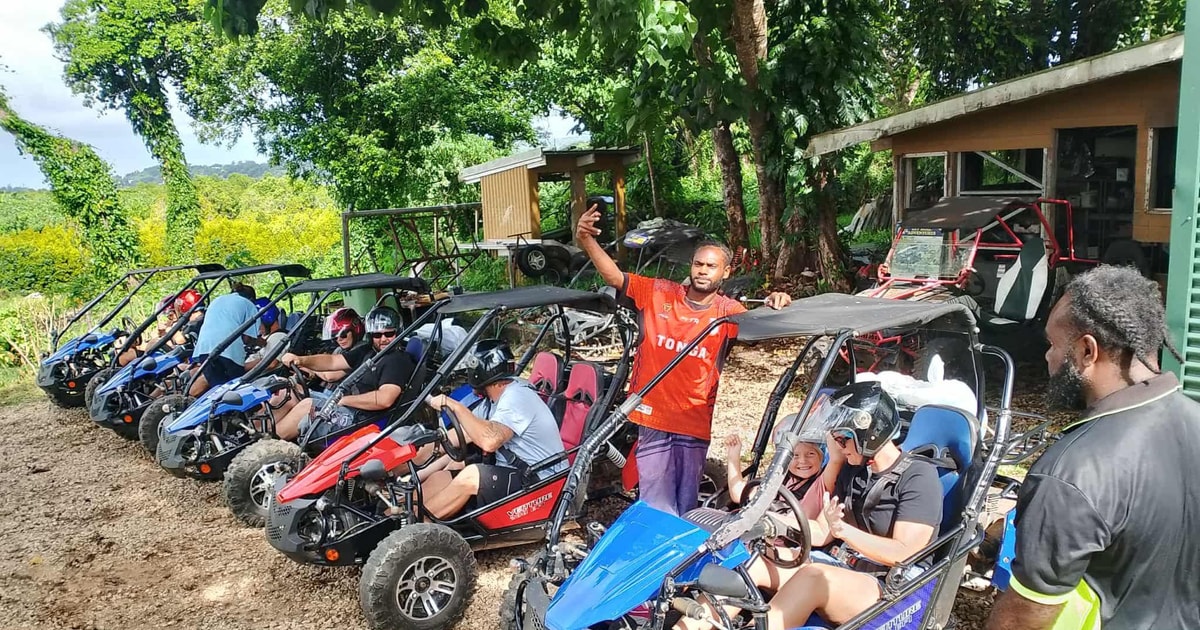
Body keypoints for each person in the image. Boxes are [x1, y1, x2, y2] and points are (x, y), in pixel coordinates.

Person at [986, 266, 1200, 630]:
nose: (1048, 358)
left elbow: (1022, 620)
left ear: (1088, 350)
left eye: (1053, 345)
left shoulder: (1071, 474)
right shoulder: (1193, 416)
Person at [576, 204, 792, 516]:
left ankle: (682, 561)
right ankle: (655, 557)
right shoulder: (658, 293)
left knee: (685, 505)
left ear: (725, 272)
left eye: (711, 266)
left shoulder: (728, 312)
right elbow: (614, 276)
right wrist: (586, 240)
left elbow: (768, 329)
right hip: (651, 416)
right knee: (654, 503)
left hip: (694, 422)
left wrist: (778, 303)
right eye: (698, 264)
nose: (703, 270)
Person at [680, 382, 943, 630]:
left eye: (841, 439)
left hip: (893, 586)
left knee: (813, 577)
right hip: (843, 567)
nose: (835, 448)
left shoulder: (919, 476)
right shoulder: (855, 471)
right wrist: (769, 523)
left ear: (869, 434)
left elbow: (904, 553)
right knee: (755, 559)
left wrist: (845, 532)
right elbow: (821, 532)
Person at [416, 340, 566, 519]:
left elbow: (489, 441)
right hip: (515, 475)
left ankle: (414, 532)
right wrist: (414, 453)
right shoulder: (491, 401)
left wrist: (457, 407)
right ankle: (396, 520)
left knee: (471, 475)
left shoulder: (517, 396)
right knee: (440, 478)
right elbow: (461, 434)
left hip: (542, 483)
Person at [275, 306, 415, 441]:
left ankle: (271, 446)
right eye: (377, 335)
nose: (383, 339)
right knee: (286, 392)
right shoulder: (368, 351)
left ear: (398, 332)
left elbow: (385, 399)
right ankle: (262, 434)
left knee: (307, 406)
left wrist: (344, 400)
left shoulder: (397, 360)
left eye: (389, 333)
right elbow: (332, 362)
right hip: (347, 407)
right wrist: (300, 360)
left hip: (363, 418)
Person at [187, 285, 259, 397]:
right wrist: (263, 343)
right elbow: (247, 338)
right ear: (251, 298)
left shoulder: (218, 300)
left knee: (219, 389)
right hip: (229, 350)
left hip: (204, 348)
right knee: (237, 389)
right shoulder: (248, 304)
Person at [244, 298, 288, 372]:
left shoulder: (278, 337)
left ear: (267, 320)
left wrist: (242, 368)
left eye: (258, 322)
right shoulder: (265, 337)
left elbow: (271, 363)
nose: (256, 326)